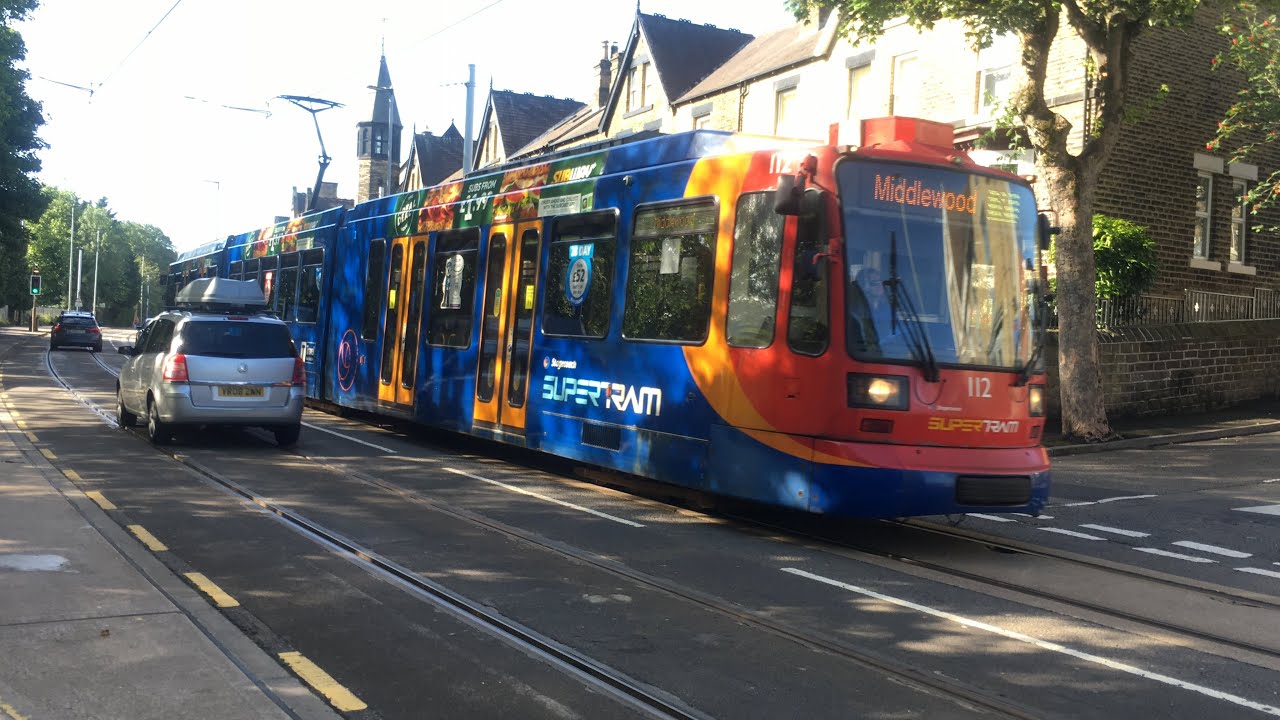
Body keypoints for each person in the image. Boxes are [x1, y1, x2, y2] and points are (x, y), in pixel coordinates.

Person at [848, 267, 896, 350]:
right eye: (874, 283)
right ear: (863, 286)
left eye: (881, 281)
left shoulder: (886, 306)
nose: (880, 286)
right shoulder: (855, 310)